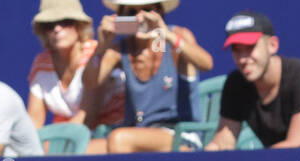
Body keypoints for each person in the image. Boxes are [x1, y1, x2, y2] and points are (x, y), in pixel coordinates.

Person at [83, 1, 214, 152]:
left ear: (160, 14)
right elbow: (90, 82)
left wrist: (166, 35)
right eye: (131, 13)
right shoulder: (119, 51)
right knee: (83, 150)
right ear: (121, 17)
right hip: (136, 133)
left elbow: (206, 64)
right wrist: (101, 47)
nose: (139, 18)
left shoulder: (177, 37)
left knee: (119, 139)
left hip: (182, 135)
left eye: (146, 11)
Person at [207, 10, 300, 149]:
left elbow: (297, 147)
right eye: (236, 49)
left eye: (250, 47)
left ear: (272, 45)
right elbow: (223, 143)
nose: (243, 59)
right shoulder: (235, 83)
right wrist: (202, 158)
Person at [27, 0, 125, 154]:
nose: (57, 29)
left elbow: (86, 118)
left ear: (80, 26)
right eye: (49, 25)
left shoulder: (95, 55)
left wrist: (48, 143)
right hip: (68, 141)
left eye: (65, 22)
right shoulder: (40, 63)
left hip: (106, 136)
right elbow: (33, 124)